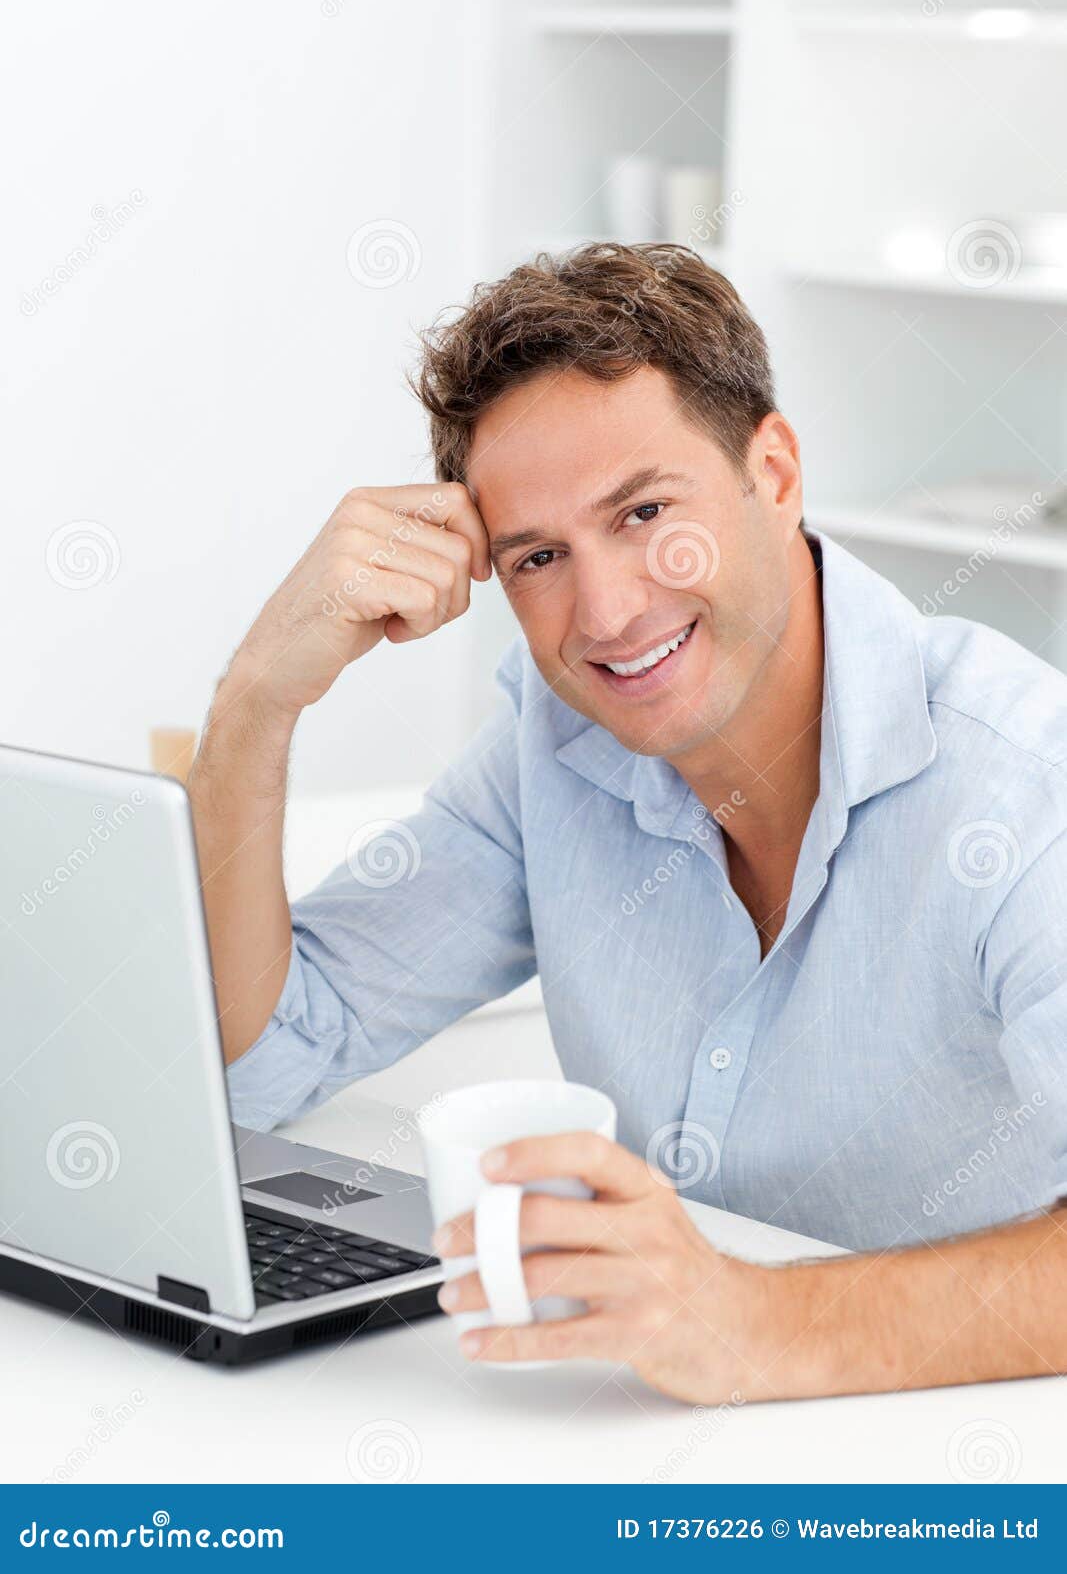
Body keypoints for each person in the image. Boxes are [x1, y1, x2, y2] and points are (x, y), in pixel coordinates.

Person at [189, 243, 1067, 1403]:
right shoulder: (550, 756)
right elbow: (254, 1057)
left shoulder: (1020, 787)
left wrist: (752, 1321)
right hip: (646, 1436)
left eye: (645, 511)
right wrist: (257, 698)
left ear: (775, 470)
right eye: (539, 557)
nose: (603, 612)